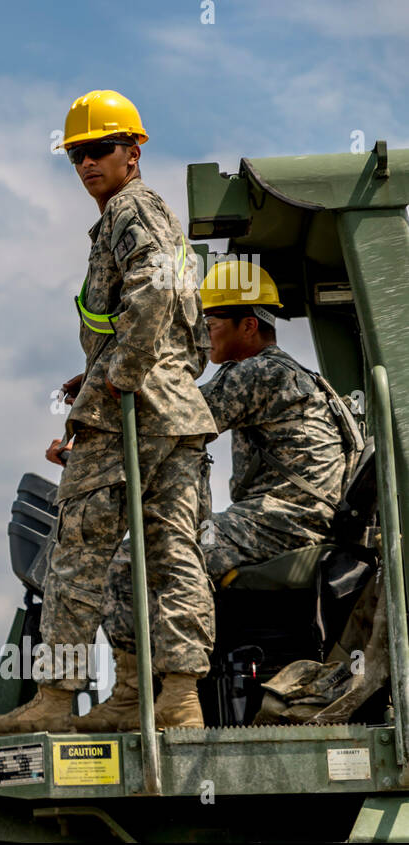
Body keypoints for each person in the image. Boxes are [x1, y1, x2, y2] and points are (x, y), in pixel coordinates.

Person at [0, 90, 217, 735]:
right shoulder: (153, 214)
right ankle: (173, 700)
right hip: (177, 413)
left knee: (77, 549)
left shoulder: (130, 209)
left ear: (133, 153)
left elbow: (154, 292)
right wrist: (104, 369)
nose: (87, 164)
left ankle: (56, 699)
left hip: (132, 411)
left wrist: (117, 379)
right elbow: (178, 327)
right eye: (77, 155)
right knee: (170, 554)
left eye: (100, 150)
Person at [84, 261, 358, 730]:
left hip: (287, 519)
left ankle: (146, 697)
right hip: (298, 516)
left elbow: (174, 420)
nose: (202, 337)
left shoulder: (258, 374)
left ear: (248, 325)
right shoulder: (291, 374)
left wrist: (85, 439)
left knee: (140, 559)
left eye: (209, 324)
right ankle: (162, 692)